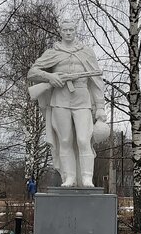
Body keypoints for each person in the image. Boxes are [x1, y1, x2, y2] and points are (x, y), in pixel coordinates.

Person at [27, 17, 106, 187]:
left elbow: (96, 81)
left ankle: (86, 178)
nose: (68, 33)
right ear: (60, 31)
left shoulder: (86, 51)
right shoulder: (52, 52)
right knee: (65, 140)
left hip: (82, 99)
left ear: (75, 30)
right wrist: (50, 77)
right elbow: (32, 72)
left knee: (84, 140)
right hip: (60, 100)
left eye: (71, 30)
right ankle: (69, 178)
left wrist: (100, 107)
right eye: (65, 30)